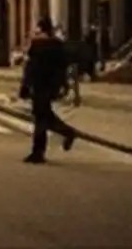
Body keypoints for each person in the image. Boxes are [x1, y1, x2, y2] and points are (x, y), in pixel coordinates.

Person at [20, 18, 78, 164]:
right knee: (44, 115)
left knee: (40, 117)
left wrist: (25, 87)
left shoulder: (36, 45)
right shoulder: (58, 46)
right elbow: (63, 67)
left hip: (39, 84)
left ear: (40, 29)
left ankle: (39, 152)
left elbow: (30, 68)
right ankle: (66, 133)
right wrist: (63, 85)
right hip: (51, 85)